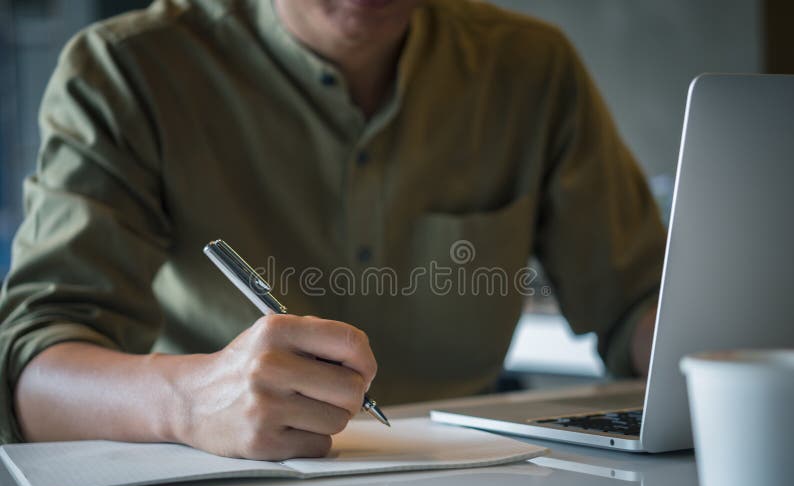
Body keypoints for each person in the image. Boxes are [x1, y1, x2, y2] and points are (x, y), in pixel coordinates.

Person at [0, 0, 665, 459]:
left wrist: (730, 351)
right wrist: (186, 404)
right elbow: (33, 372)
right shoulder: (126, 71)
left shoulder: (531, 70)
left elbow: (641, 303)